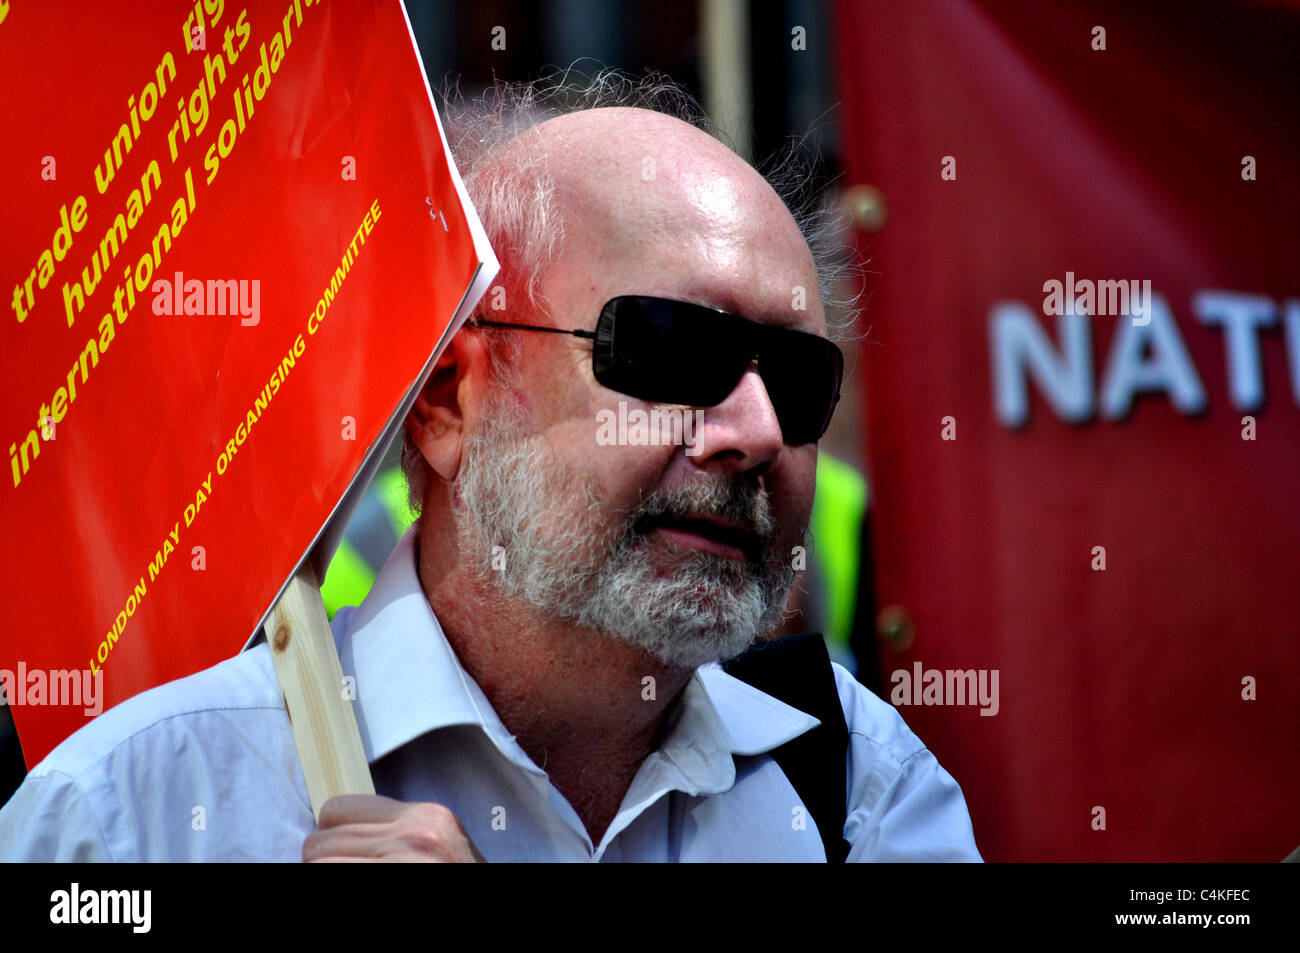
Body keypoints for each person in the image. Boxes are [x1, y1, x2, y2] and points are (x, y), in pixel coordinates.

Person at [0, 71, 981, 862]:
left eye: (800, 379)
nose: (758, 430)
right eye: (674, 349)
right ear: (445, 399)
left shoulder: (858, 781)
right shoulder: (134, 809)